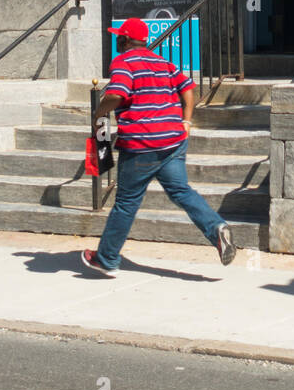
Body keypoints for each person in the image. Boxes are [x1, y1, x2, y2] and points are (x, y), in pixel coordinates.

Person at [80, 16, 236, 277]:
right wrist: (186, 121)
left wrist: (99, 113)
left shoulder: (123, 61)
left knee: (126, 203)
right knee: (181, 192)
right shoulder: (163, 62)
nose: (116, 38)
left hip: (142, 145)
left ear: (126, 39)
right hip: (173, 141)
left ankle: (106, 258)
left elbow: (117, 93)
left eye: (119, 35)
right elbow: (188, 89)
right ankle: (216, 228)